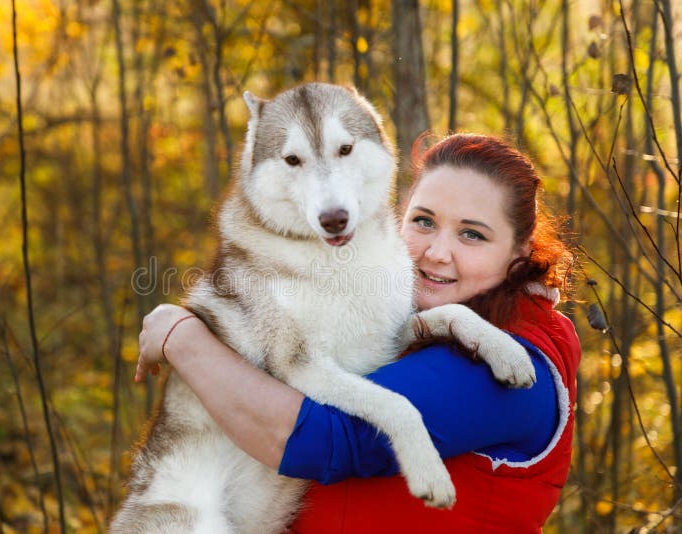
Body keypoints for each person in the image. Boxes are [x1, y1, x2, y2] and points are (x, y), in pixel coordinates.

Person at [134, 133, 580, 533]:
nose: (436, 253)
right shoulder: (403, 311)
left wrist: (181, 336)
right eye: (423, 221)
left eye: (472, 235)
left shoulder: (500, 365)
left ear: (520, 252)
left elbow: (321, 437)